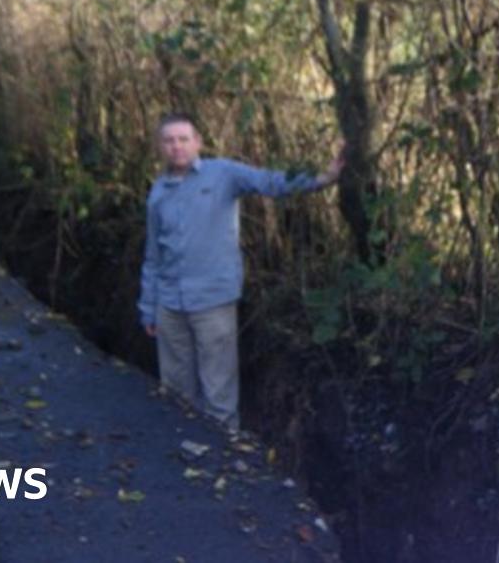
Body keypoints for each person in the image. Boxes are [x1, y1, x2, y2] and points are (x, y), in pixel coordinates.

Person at [137, 112, 345, 431]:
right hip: (169, 304)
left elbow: (272, 182)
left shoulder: (223, 174)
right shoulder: (158, 192)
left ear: (198, 142)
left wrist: (323, 178)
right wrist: (148, 308)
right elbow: (153, 254)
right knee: (176, 390)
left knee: (218, 388)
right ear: (159, 146)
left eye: (183, 139)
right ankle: (180, 453)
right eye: (169, 140)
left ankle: (224, 460)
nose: (176, 146)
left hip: (213, 301)